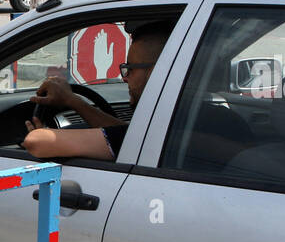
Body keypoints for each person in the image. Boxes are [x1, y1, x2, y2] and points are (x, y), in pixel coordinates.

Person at [22, 22, 174, 161]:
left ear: (155, 73)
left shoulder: (155, 135)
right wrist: (72, 101)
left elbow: (35, 142)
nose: (125, 78)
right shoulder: (175, 124)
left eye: (130, 69)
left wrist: (42, 134)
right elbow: (124, 134)